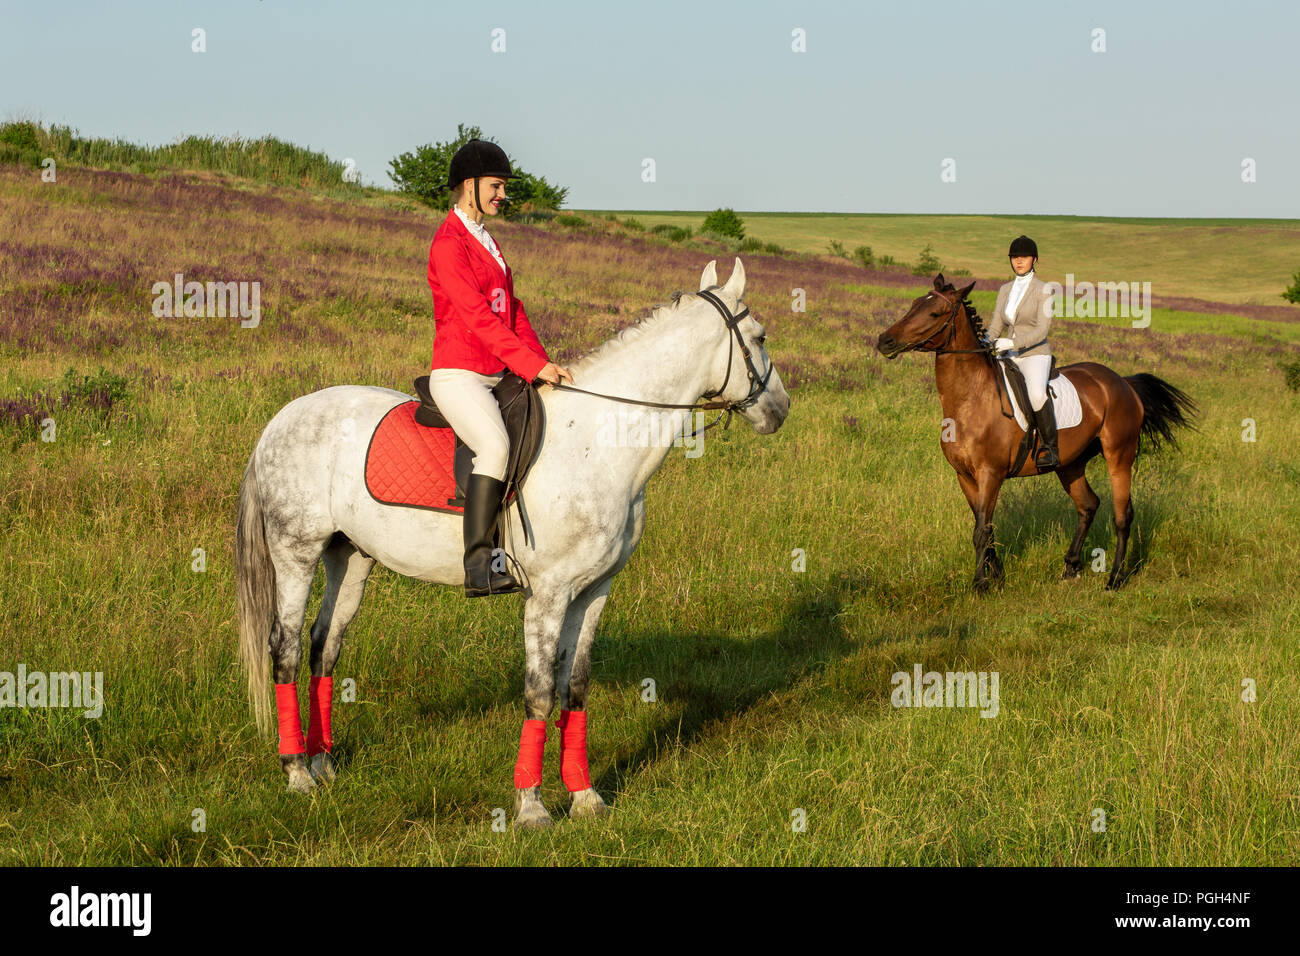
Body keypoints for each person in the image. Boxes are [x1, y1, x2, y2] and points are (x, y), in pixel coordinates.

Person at [427, 138, 574, 597]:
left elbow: (513, 310)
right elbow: (477, 316)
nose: (501, 195)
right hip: (459, 374)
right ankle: (478, 566)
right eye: (495, 186)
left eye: (503, 188)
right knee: (493, 447)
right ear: (468, 186)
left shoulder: (486, 240)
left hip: (497, 372)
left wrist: (543, 363)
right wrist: (530, 365)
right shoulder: (449, 244)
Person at [986, 235, 1059, 469]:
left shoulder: (1044, 290)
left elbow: (1041, 330)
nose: (1019, 261)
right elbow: (997, 325)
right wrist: (986, 341)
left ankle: (1050, 448)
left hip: (1034, 354)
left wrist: (1012, 344)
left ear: (1034, 259)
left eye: (1024, 257)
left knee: (1037, 394)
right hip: (1007, 354)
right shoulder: (1005, 289)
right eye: (1015, 257)